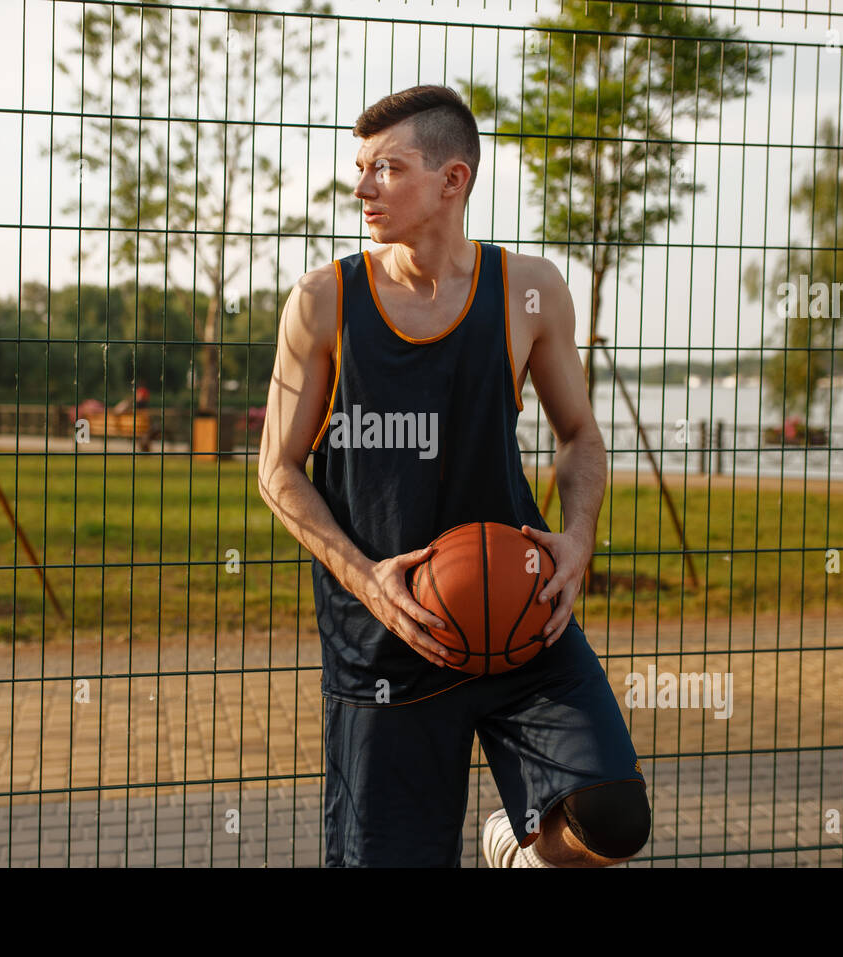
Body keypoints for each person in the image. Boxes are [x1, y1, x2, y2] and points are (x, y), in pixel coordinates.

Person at [257, 85, 650, 867]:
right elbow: (276, 470)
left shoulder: (528, 291)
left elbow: (579, 436)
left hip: (518, 612)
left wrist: (577, 540)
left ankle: (517, 845)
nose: (362, 187)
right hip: (391, 634)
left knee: (612, 820)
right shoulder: (324, 302)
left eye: (386, 169)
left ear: (453, 180)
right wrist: (369, 581)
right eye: (360, 167)